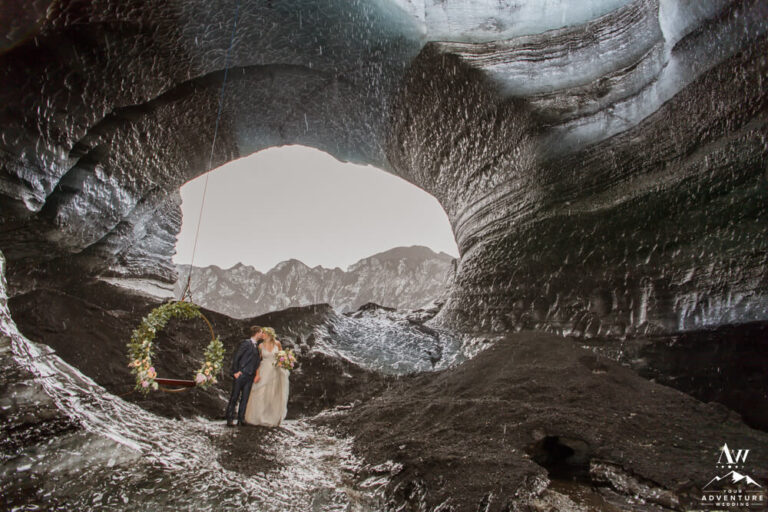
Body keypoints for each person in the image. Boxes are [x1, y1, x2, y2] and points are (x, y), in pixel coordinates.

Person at [243, 326, 289, 427]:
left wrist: (284, 362)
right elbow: (257, 361)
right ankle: (258, 417)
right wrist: (257, 374)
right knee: (260, 392)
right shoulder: (260, 346)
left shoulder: (277, 343)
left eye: (263, 333)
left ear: (269, 335)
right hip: (264, 370)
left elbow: (282, 356)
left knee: (273, 393)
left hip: (275, 371)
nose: (261, 335)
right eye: (261, 333)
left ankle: (272, 417)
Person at [225, 325, 263, 427]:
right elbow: (237, 357)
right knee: (234, 397)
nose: (262, 334)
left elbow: (256, 361)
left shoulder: (257, 346)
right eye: (261, 332)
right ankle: (229, 418)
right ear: (256, 333)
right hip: (241, 374)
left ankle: (241, 418)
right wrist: (235, 372)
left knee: (245, 398)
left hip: (250, 376)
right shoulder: (246, 343)